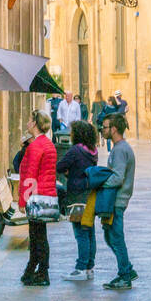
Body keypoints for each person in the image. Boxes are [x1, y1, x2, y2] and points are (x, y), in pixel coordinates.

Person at [18, 111, 57, 286]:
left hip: (36, 197)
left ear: (34, 123)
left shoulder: (36, 147)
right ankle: (34, 269)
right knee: (38, 235)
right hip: (46, 194)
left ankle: (42, 272)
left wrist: (22, 200)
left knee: (37, 236)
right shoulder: (48, 144)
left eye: (29, 119)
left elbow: (30, 176)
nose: (27, 122)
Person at [56, 119, 99, 280]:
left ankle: (80, 268)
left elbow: (60, 166)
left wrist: (68, 172)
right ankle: (89, 267)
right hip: (89, 195)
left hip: (76, 196)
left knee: (80, 233)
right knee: (89, 233)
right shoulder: (93, 151)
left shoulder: (75, 151)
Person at [100, 112, 137, 290]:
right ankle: (127, 268)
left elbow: (118, 177)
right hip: (116, 200)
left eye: (105, 127)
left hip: (117, 201)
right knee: (110, 235)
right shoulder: (119, 148)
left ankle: (125, 275)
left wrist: (100, 184)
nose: (102, 130)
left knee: (116, 237)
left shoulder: (120, 150)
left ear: (114, 129)